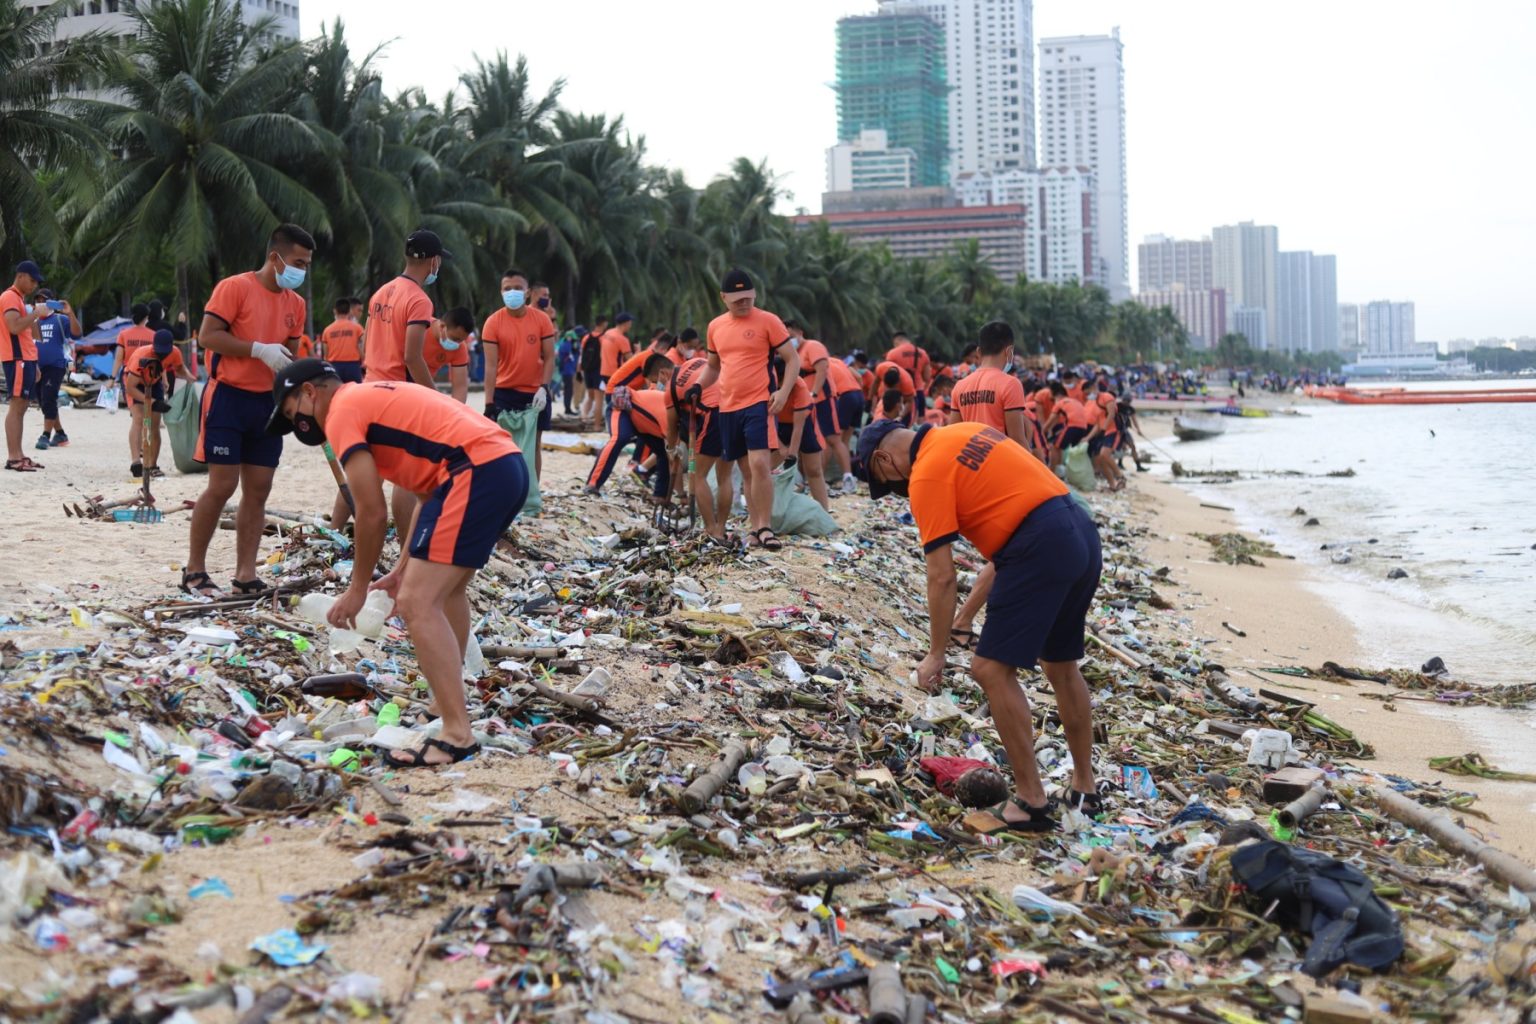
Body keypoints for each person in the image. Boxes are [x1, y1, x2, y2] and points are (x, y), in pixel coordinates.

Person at [267, 359, 528, 768]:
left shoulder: (340, 412)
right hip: (502, 465)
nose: (298, 423)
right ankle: (446, 703)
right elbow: (426, 494)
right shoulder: (370, 398)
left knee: (417, 603)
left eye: (291, 412)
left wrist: (357, 589)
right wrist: (404, 566)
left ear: (310, 392)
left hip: (474, 470)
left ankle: (457, 734)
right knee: (445, 592)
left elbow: (370, 511)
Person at [855, 419, 1103, 829]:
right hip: (1079, 529)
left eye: (885, 481)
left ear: (883, 459)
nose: (896, 489)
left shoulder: (926, 474)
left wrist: (936, 654)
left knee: (989, 669)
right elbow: (1008, 525)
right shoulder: (964, 431)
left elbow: (941, 576)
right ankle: (1084, 789)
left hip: (1039, 543)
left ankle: (1031, 802)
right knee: (1060, 664)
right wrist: (963, 619)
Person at [184, 223, 313, 596]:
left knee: (258, 491)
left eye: (306, 264)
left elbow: (290, 355)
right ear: (275, 257)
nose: (302, 271)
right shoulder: (235, 288)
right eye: (297, 262)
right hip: (228, 397)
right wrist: (257, 349)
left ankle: (246, 574)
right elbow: (208, 336)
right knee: (222, 486)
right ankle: (194, 570)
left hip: (268, 405)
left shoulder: (296, 304)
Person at [699, 269, 799, 552]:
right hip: (728, 406)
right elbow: (713, 366)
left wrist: (783, 392)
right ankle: (754, 529)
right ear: (724, 298)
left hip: (759, 403)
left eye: (748, 298)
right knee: (746, 470)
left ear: (755, 295)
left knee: (759, 464)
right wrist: (696, 387)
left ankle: (766, 527)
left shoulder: (768, 321)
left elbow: (792, 360)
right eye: (737, 299)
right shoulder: (715, 326)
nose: (744, 303)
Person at [364, 229, 450, 536]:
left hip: (369, 388)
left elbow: (365, 343)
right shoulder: (418, 299)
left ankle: (344, 534)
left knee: (370, 474)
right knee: (406, 474)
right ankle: (406, 548)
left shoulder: (381, 292)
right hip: (396, 394)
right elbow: (412, 357)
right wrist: (436, 397)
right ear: (434, 261)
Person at [480, 268, 557, 478]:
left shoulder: (542, 320)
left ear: (527, 292)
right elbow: (491, 365)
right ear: (501, 292)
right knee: (505, 447)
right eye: (507, 288)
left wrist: (544, 387)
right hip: (505, 392)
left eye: (517, 288)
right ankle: (509, 491)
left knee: (534, 445)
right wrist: (489, 403)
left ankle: (533, 492)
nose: (512, 292)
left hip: (536, 394)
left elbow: (550, 356)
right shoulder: (493, 323)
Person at [664, 355, 734, 544]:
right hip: (733, 408)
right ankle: (721, 528)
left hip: (713, 415)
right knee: (725, 476)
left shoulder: (670, 387)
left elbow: (671, 427)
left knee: (698, 475)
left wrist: (671, 449)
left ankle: (711, 528)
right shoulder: (696, 361)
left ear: (662, 374)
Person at [584, 354, 674, 498]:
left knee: (663, 452)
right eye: (654, 381)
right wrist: (682, 495)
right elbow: (673, 454)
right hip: (623, 405)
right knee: (620, 438)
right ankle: (593, 484)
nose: (656, 384)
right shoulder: (668, 413)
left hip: (644, 420)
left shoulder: (673, 402)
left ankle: (660, 497)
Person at [124, 330, 195, 479]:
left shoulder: (175, 352)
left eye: (164, 352)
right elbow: (130, 388)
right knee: (139, 419)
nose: (161, 355)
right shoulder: (141, 356)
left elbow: (179, 368)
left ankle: (152, 466)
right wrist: (151, 402)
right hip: (135, 382)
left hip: (154, 381)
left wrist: (190, 379)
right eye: (158, 352)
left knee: (154, 425)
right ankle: (136, 462)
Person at [3, 260, 48, 472]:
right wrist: (35, 314)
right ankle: (13, 457)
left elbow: (30, 334)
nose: (34, 285)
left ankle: (19, 454)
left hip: (25, 359)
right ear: (20, 276)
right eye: (32, 280)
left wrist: (34, 363)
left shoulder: (20, 300)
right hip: (17, 359)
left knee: (21, 407)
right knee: (16, 406)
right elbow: (13, 327)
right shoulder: (10, 297)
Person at [772, 360, 830, 511]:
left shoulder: (799, 385)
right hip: (776, 424)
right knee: (766, 468)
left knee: (814, 469)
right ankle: (769, 512)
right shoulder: (767, 384)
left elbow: (799, 426)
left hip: (803, 424)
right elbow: (767, 421)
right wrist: (781, 447)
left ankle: (824, 511)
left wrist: (791, 455)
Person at [32, 289, 80, 450]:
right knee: (44, 402)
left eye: (44, 300)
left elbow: (77, 334)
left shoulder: (60, 319)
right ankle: (60, 434)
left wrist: (70, 313)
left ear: (52, 302)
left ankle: (45, 435)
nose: (40, 304)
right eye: (38, 300)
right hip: (37, 367)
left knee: (48, 399)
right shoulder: (33, 321)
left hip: (56, 366)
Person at [824, 353, 863, 491]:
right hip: (858, 395)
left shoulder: (819, 365)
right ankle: (849, 477)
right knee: (844, 441)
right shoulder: (838, 361)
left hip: (845, 396)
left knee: (832, 440)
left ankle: (820, 478)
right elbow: (858, 377)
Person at [427, 308, 473, 404]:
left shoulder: (460, 348)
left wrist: (457, 410)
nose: (457, 343)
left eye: (461, 340)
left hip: (424, 386)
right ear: (442, 326)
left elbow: (460, 386)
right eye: (455, 338)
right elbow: (411, 359)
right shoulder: (419, 328)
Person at [319, 296, 366, 383]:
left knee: (337, 390)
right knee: (355, 390)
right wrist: (364, 361)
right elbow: (362, 347)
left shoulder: (327, 330)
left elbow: (326, 354)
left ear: (335, 311)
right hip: (353, 366)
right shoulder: (357, 328)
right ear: (349, 311)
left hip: (335, 366)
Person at [886, 332, 932, 416]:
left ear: (896, 341)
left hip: (900, 394)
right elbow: (927, 378)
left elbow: (889, 377)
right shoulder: (923, 353)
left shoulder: (892, 354)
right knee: (919, 419)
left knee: (899, 420)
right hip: (918, 392)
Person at [111, 303, 155, 387]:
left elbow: (118, 359)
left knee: (130, 395)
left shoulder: (123, 334)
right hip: (148, 375)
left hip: (128, 374)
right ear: (146, 317)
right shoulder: (154, 335)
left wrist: (112, 378)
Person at [578, 316, 608, 428]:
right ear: (604, 324)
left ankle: (584, 417)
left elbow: (581, 355)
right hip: (598, 370)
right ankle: (597, 425)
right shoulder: (604, 338)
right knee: (599, 398)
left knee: (590, 396)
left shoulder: (586, 337)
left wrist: (579, 370)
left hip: (587, 370)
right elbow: (604, 356)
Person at [598, 313, 635, 400]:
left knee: (609, 397)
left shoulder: (607, 333)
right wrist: (638, 351)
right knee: (615, 401)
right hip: (615, 373)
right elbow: (631, 360)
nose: (631, 325)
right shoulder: (622, 339)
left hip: (603, 371)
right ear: (626, 323)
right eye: (630, 323)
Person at [556, 328, 582, 416]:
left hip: (568, 371)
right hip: (567, 371)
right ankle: (567, 409)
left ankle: (568, 408)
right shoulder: (566, 345)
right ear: (569, 338)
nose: (575, 341)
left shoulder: (565, 344)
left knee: (568, 390)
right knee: (568, 391)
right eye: (573, 339)